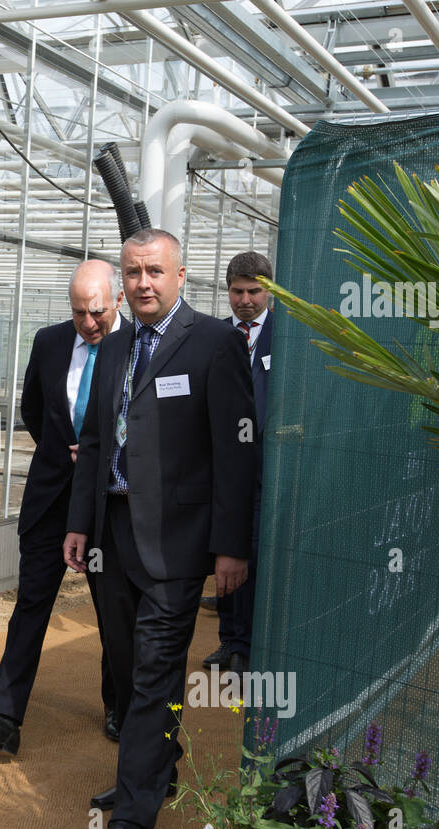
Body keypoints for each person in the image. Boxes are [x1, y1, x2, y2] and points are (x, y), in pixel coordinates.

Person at [63, 228, 257, 829]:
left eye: (154, 271)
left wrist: (231, 546)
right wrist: (79, 523)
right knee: (124, 664)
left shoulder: (215, 343)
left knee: (154, 673)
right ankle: (159, 766)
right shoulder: (113, 346)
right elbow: (94, 441)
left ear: (179, 276)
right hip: (112, 535)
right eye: (132, 272)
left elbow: (236, 449)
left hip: (177, 542)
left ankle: (133, 816)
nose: (142, 282)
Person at [0, 259, 124, 756]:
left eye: (97, 313)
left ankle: (119, 708)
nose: (88, 324)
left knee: (113, 610)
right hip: (50, 499)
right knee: (29, 608)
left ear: (117, 302)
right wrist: (60, 449)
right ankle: (4, 718)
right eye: (79, 314)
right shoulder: (49, 341)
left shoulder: (135, 346)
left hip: (108, 503)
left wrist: (99, 452)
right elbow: (32, 410)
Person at [204, 251, 274, 676]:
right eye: (237, 291)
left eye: (254, 291)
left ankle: (248, 645)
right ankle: (229, 642)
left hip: (267, 468)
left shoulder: (285, 337)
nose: (245, 300)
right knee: (224, 551)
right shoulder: (215, 337)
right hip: (222, 466)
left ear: (269, 291)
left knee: (254, 553)